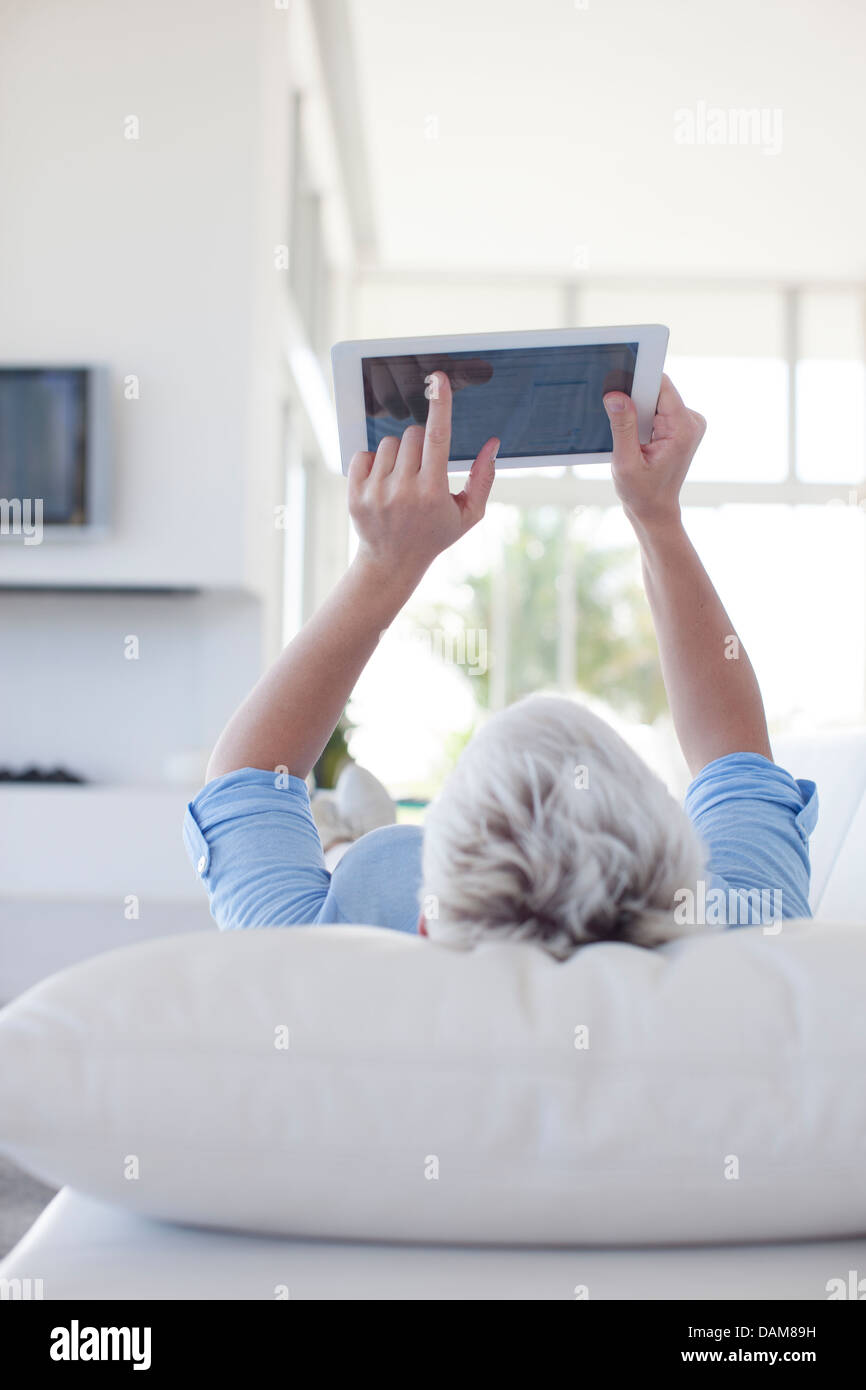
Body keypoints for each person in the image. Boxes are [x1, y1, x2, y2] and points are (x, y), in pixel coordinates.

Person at [183, 372, 817, 957]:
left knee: (365, 862)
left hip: (387, 885)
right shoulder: (747, 938)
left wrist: (384, 566)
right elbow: (735, 757)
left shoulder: (330, 956)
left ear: (425, 926)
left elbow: (242, 776)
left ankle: (343, 839)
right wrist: (659, 517)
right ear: (682, 877)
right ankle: (346, 835)